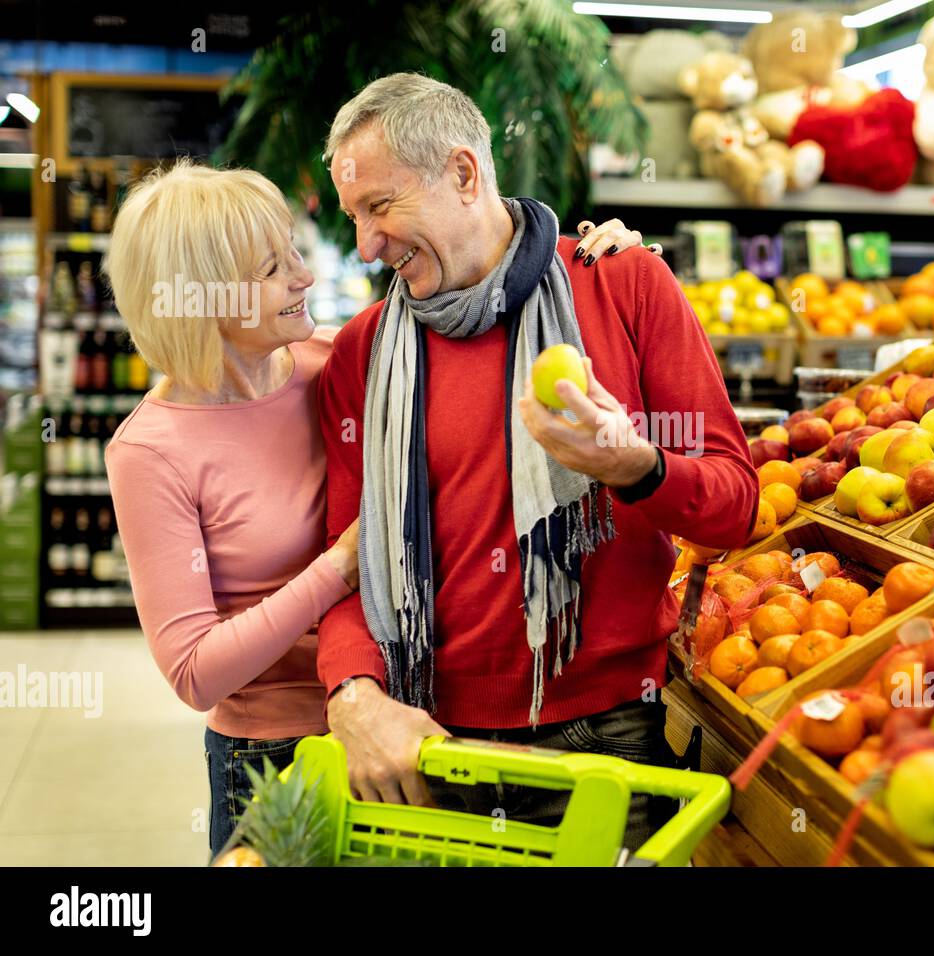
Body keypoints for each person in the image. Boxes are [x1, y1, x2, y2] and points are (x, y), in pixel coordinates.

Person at [101, 159, 648, 857]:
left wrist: (592, 261)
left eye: (293, 252)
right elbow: (193, 671)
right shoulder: (151, 451)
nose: (304, 276)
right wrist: (341, 565)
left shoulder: (335, 360)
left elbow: (479, 300)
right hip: (276, 758)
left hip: (403, 719)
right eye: (274, 268)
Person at [316, 72, 758, 852]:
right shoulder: (363, 352)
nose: (366, 245)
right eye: (354, 216)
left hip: (604, 748)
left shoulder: (623, 284)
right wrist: (352, 692)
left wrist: (635, 467)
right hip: (425, 750)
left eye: (381, 206)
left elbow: (734, 506)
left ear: (463, 173)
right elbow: (345, 564)